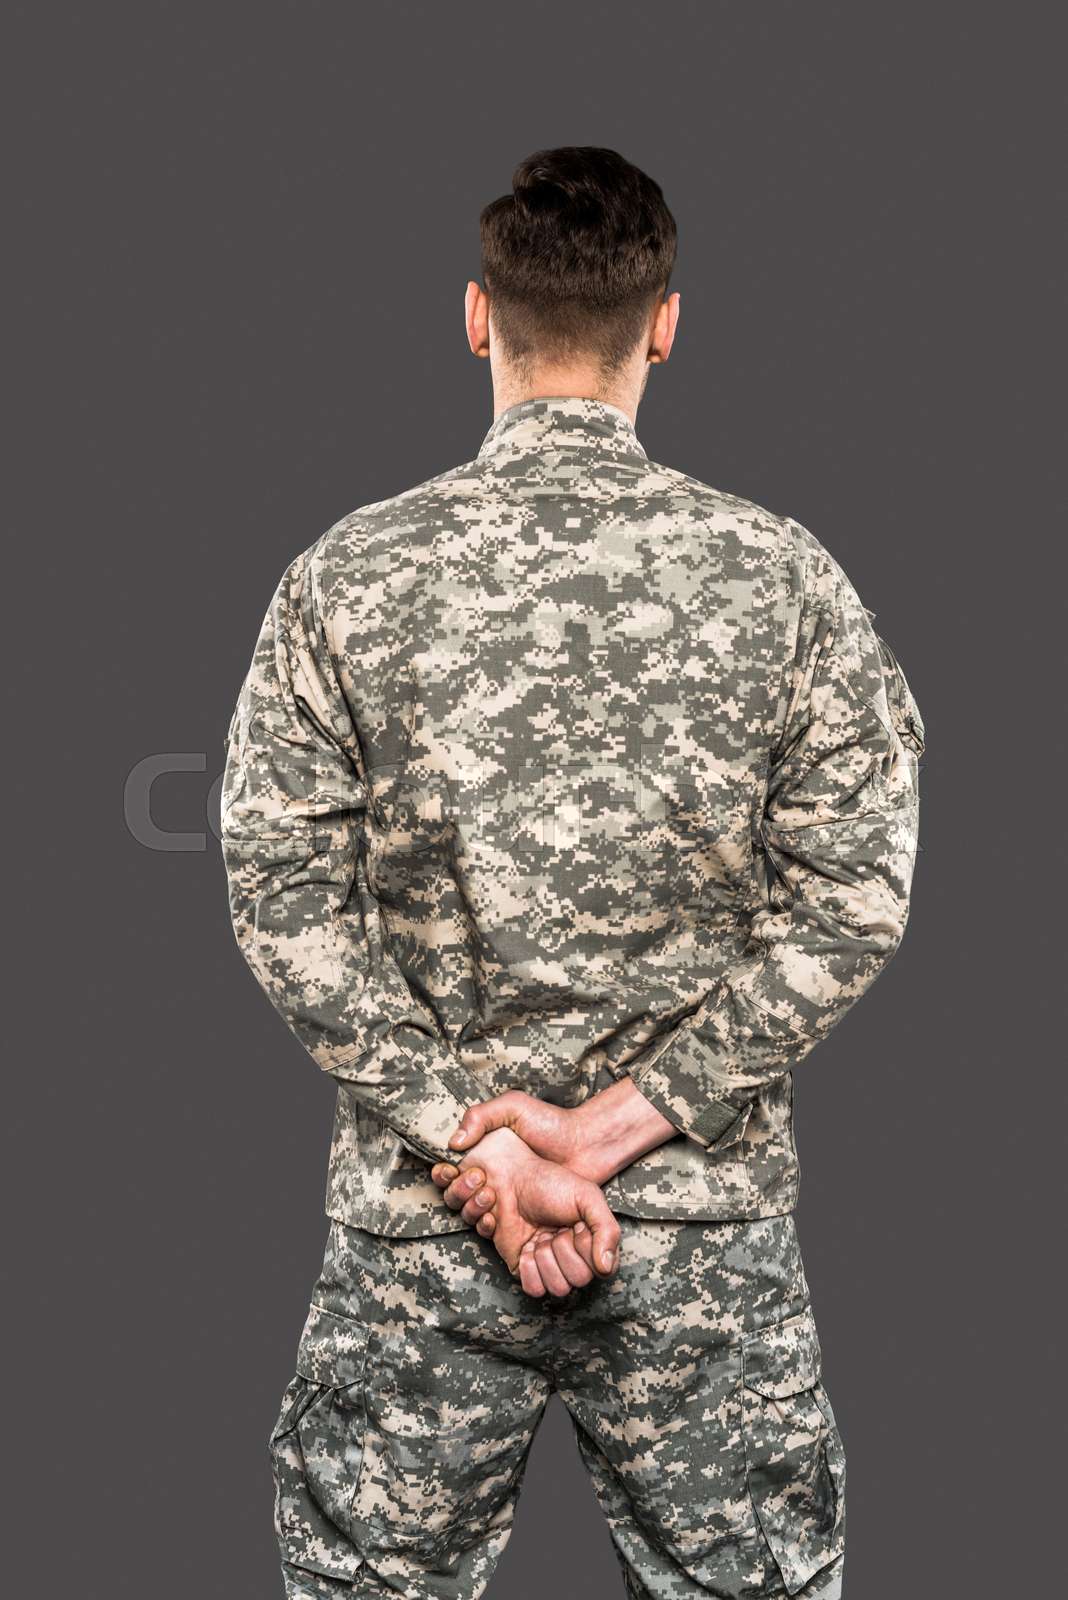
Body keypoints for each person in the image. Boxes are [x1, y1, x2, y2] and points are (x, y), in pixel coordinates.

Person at [221, 145, 924, 1600]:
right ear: (666, 323)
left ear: (476, 316)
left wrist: (473, 1144)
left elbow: (281, 898)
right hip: (702, 1241)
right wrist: (613, 1134)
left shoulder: (344, 577)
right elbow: (856, 891)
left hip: (423, 1233)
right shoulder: (785, 579)